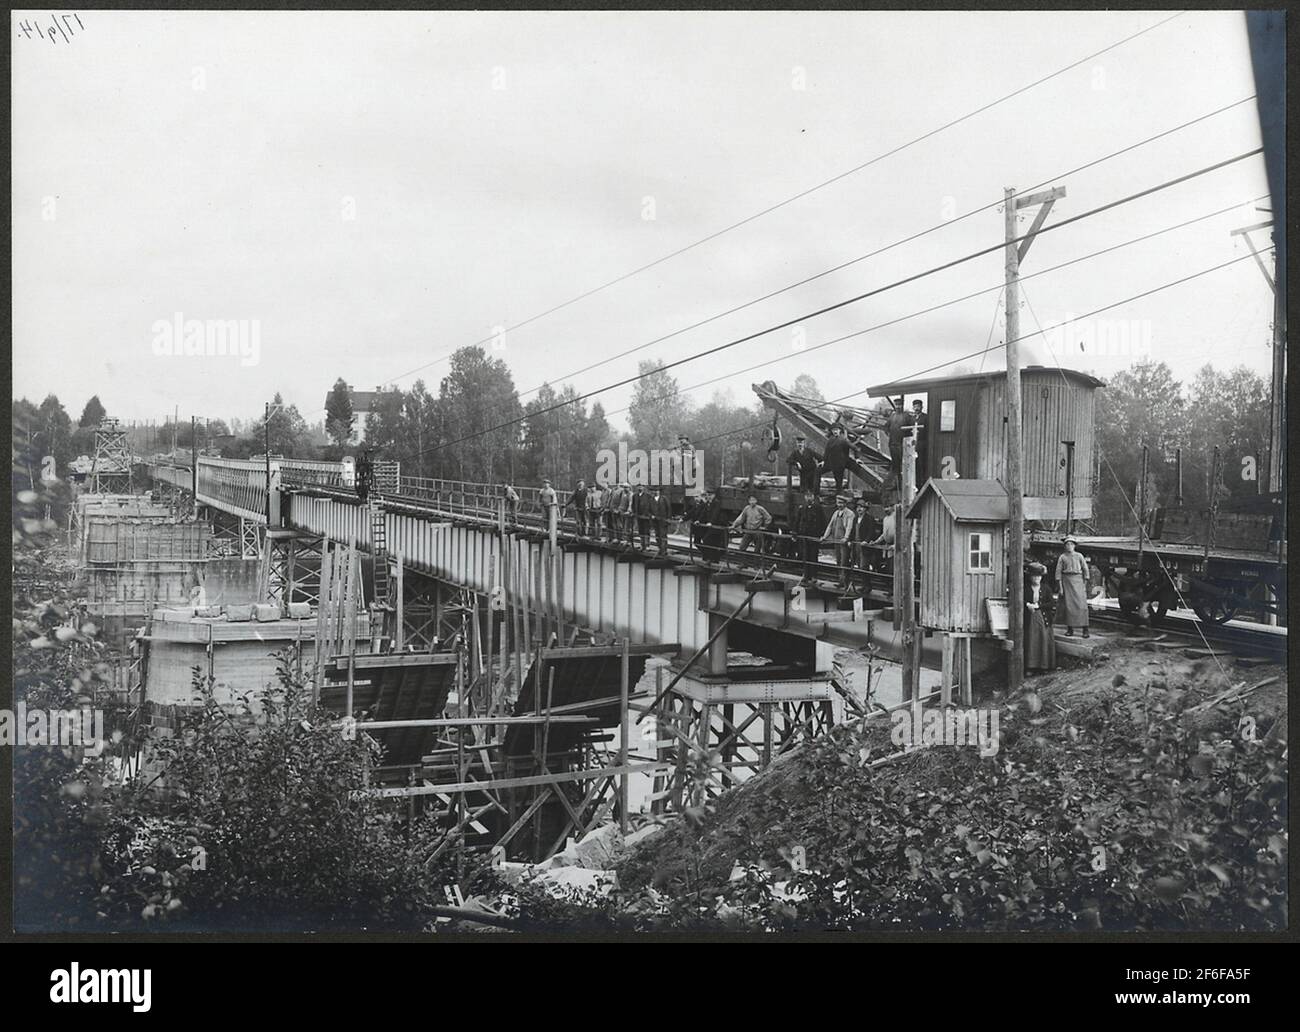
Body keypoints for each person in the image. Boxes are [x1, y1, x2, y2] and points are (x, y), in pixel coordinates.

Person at [1054, 537, 1091, 637]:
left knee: (1082, 606)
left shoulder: (1079, 556)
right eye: (1067, 544)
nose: (1069, 546)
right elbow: (1058, 573)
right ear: (1065, 546)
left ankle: (1085, 629)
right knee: (1069, 606)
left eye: (1071, 544)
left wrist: (1084, 584)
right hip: (1067, 582)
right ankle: (1070, 629)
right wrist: (1061, 588)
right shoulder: (1062, 557)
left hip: (1078, 581)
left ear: (1074, 546)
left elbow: (1085, 570)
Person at [1024, 561, 1057, 671]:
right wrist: (1027, 604)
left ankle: (1044, 666)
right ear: (1030, 578)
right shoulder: (1026, 588)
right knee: (1032, 641)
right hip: (1030, 618)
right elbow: (1020, 599)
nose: (1037, 579)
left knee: (1043, 640)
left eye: (1038, 577)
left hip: (1043, 618)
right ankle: (1031, 666)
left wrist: (1039, 605)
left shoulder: (1046, 588)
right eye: (1034, 576)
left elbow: (1052, 603)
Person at [821, 494, 856, 588]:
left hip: (843, 542)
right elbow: (830, 525)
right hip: (836, 541)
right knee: (838, 561)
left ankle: (846, 583)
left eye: (841, 503)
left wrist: (846, 537)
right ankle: (840, 581)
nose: (839, 505)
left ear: (845, 503)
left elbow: (849, 527)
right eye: (838, 503)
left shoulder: (850, 514)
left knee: (844, 562)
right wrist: (825, 536)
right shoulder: (836, 513)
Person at [791, 489, 827, 582]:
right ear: (805, 497)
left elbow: (823, 521)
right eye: (807, 496)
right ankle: (806, 575)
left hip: (814, 536)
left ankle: (814, 576)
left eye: (810, 496)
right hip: (804, 536)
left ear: (813, 497)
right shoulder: (802, 508)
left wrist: (822, 534)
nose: (808, 498)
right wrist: (795, 532)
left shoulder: (818, 508)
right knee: (805, 556)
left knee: (813, 556)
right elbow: (797, 520)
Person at [885, 397, 908, 493]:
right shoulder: (892, 416)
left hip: (902, 445)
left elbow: (911, 430)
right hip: (893, 444)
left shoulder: (906, 416)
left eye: (899, 405)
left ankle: (904, 484)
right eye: (896, 405)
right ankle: (896, 484)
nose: (897, 407)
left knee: (904, 465)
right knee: (895, 466)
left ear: (902, 405)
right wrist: (889, 434)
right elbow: (886, 427)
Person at [820, 425, 850, 497]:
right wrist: (823, 461)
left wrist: (855, 458)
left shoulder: (843, 439)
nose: (835, 431)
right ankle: (816, 492)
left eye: (836, 430)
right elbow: (827, 451)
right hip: (832, 462)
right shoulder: (831, 440)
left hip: (840, 463)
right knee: (819, 471)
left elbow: (850, 449)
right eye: (833, 430)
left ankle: (839, 495)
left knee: (839, 480)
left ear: (840, 431)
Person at [851, 497, 876, 578]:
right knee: (858, 564)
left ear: (865, 509)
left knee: (864, 566)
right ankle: (863, 586)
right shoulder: (855, 519)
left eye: (861, 507)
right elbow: (853, 531)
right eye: (858, 507)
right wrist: (849, 540)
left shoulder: (869, 518)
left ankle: (867, 586)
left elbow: (871, 531)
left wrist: (866, 541)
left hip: (864, 546)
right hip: (856, 544)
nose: (859, 509)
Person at [909, 399, 929, 486]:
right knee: (914, 465)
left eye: (918, 406)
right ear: (913, 407)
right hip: (913, 445)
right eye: (915, 406)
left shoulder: (926, 417)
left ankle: (922, 484)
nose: (916, 408)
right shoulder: (911, 418)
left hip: (922, 444)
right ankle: (915, 484)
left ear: (922, 407)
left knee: (922, 465)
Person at [649, 485, 672, 555]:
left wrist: (668, 518)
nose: (656, 492)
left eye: (657, 491)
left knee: (663, 535)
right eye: (654, 491)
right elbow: (648, 510)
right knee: (657, 535)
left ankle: (664, 550)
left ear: (659, 492)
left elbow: (669, 509)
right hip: (655, 520)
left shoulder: (664, 499)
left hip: (663, 520)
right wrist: (651, 515)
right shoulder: (651, 500)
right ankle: (660, 548)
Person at [632, 484, 652, 549]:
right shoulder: (635, 496)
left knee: (646, 530)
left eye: (641, 486)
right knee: (641, 530)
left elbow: (651, 506)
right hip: (638, 516)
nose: (640, 488)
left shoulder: (648, 496)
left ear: (644, 488)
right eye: (639, 487)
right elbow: (633, 505)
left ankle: (647, 545)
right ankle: (642, 544)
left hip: (646, 517)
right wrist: (634, 513)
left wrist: (649, 514)